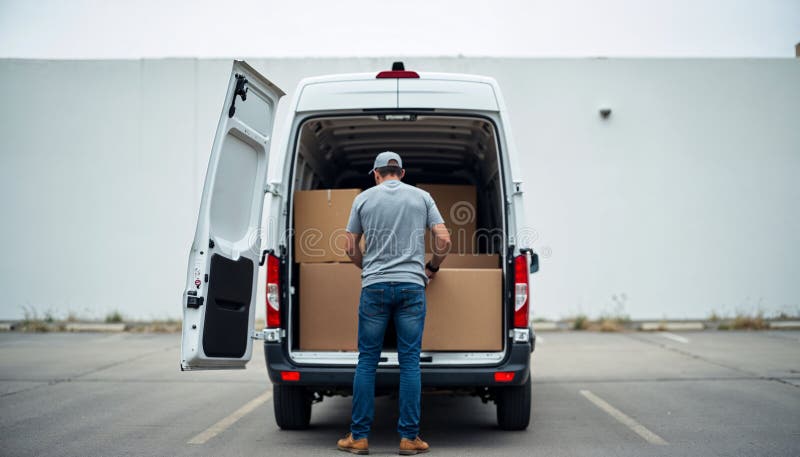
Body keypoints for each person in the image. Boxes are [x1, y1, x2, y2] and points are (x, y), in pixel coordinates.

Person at [337, 151, 451, 455]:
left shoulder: (363, 199)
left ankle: (358, 438)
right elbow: (444, 239)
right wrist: (433, 267)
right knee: (410, 361)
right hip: (412, 286)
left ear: (375, 174)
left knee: (367, 360)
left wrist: (368, 268)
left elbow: (349, 245)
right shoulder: (422, 197)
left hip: (374, 287)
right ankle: (409, 438)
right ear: (401, 172)